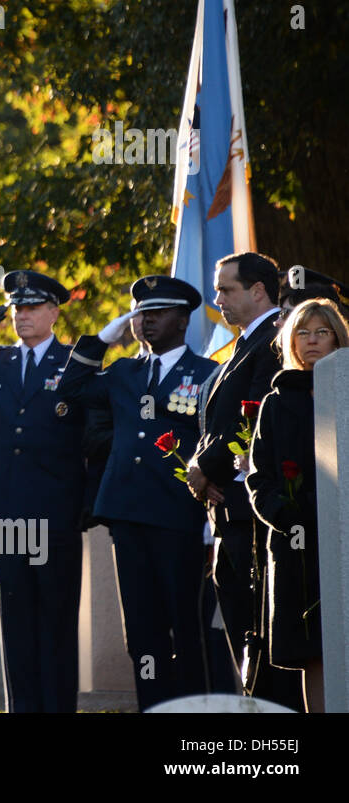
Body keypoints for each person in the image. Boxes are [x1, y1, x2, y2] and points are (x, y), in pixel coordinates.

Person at [57, 275, 213, 711]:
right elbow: (68, 391)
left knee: (185, 624)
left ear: (183, 320)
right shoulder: (124, 371)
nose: (146, 322)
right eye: (142, 313)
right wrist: (105, 336)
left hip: (179, 514)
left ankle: (191, 706)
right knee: (142, 630)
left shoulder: (206, 374)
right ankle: (155, 705)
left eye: (157, 313)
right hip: (127, 512)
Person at [0, 270, 87, 712]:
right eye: (16, 308)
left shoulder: (73, 363)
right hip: (4, 507)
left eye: (31, 307)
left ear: (53, 311)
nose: (22, 316)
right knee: (16, 620)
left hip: (54, 509)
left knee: (56, 620)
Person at [186, 251, 302, 708]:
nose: (217, 300)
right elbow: (214, 425)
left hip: (252, 516)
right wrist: (200, 468)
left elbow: (250, 423)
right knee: (243, 637)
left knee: (263, 637)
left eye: (226, 290)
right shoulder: (241, 345)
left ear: (258, 291)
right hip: (227, 513)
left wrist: (203, 468)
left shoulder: (273, 341)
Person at [246, 298, 349, 713]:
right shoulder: (277, 401)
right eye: (302, 333)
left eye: (321, 332)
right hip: (299, 544)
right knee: (314, 651)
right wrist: (289, 514)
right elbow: (259, 478)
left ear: (338, 337)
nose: (311, 341)